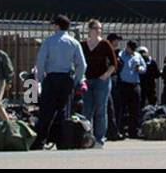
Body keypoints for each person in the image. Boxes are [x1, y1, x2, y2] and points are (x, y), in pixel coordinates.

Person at [32, 15, 87, 150]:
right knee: (64, 111)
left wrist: (41, 78)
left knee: (46, 111)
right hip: (66, 78)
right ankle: (63, 141)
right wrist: (76, 80)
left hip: (51, 78)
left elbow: (40, 61)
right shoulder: (74, 42)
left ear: (57, 26)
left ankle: (40, 141)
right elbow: (82, 65)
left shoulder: (49, 41)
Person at [81, 19, 117, 147]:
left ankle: (99, 139)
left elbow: (114, 63)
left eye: (100, 28)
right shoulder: (83, 45)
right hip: (87, 80)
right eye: (96, 28)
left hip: (101, 81)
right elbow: (78, 62)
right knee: (87, 110)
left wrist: (106, 75)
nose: (99, 31)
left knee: (101, 110)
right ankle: (87, 138)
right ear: (90, 30)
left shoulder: (105, 44)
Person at [118, 38, 147, 139]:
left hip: (135, 84)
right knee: (122, 108)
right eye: (131, 49)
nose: (133, 51)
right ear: (127, 47)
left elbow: (144, 68)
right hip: (123, 84)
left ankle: (133, 131)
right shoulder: (121, 55)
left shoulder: (137, 56)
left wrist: (140, 69)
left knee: (135, 108)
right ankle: (121, 130)